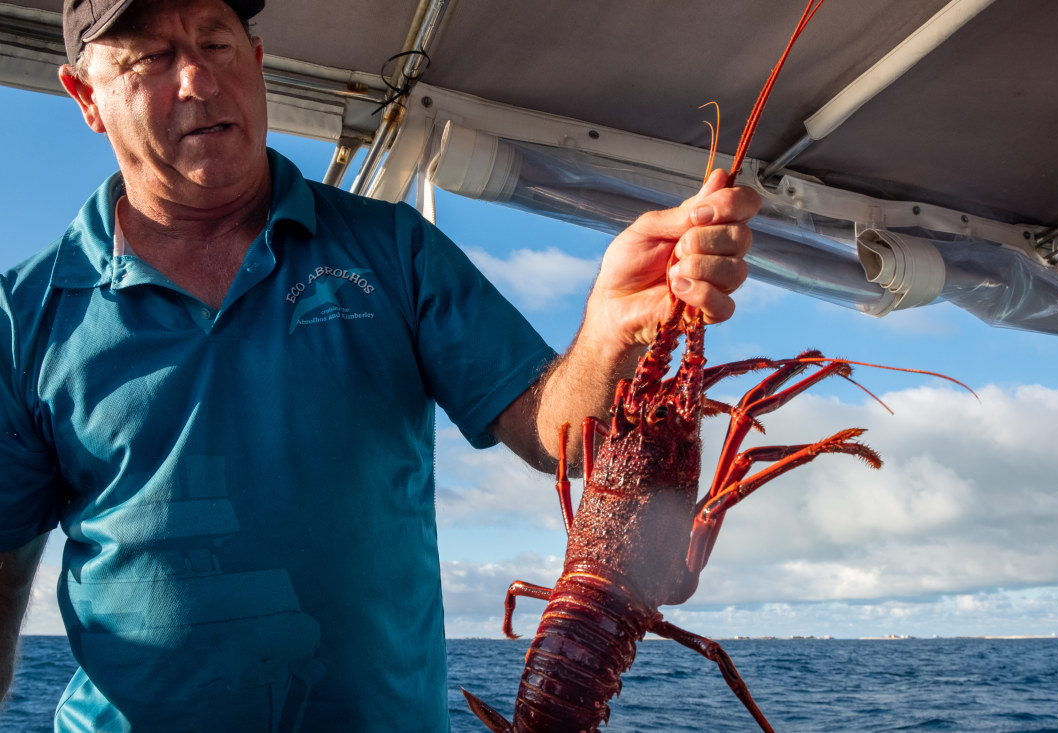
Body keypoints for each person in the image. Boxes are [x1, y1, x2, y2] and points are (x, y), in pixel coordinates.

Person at [0, 0, 760, 729]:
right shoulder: (22, 316)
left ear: (259, 61)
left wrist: (609, 331)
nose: (197, 79)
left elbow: (550, 432)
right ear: (85, 95)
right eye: (151, 59)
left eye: (217, 44)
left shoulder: (393, 249)